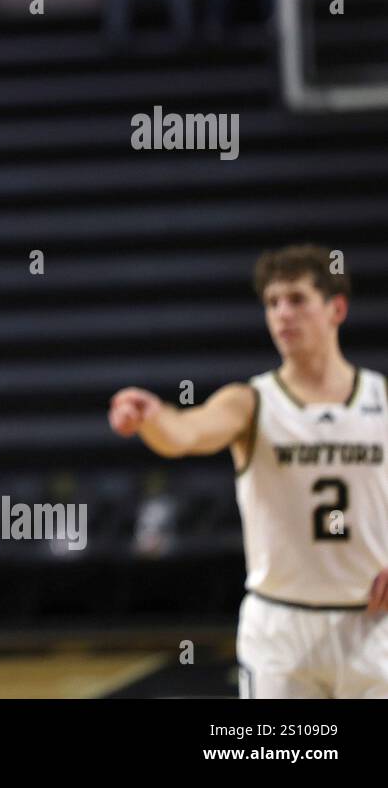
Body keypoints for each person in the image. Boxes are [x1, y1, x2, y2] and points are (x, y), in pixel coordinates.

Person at [109, 244, 388, 698]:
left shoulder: (381, 398)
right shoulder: (251, 402)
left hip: (373, 621)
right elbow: (186, 433)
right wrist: (153, 416)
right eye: (272, 303)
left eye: (297, 299)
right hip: (280, 624)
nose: (282, 314)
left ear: (337, 308)